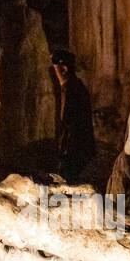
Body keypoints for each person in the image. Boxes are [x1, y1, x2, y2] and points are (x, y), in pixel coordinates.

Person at [50, 49, 95, 183]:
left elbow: (70, 122)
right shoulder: (75, 86)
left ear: (64, 68)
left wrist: (63, 148)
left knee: (67, 182)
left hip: (74, 150)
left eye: (55, 69)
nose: (55, 73)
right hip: (77, 149)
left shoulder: (72, 89)